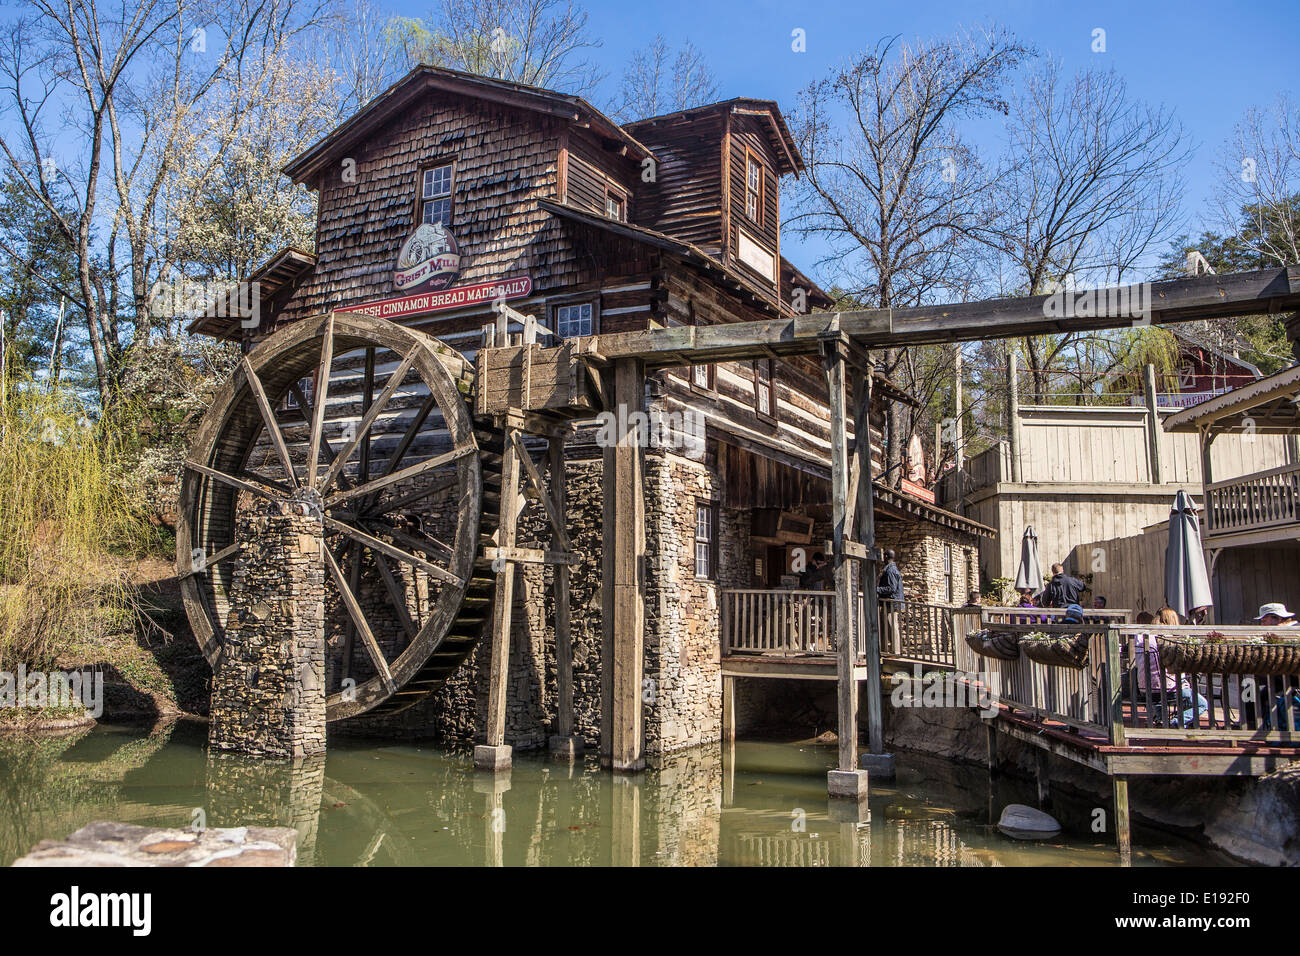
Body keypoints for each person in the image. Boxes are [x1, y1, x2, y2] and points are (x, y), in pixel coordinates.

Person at [1132, 606, 1208, 728]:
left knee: (1161, 701)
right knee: (1202, 704)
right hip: (1169, 687)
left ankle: (1162, 721)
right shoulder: (1168, 639)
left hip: (1145, 688)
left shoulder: (1142, 637)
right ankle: (1176, 722)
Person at [877, 549, 904, 654]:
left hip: (891, 603)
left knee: (892, 626)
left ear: (887, 557)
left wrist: (877, 589)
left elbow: (891, 588)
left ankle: (895, 650)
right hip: (890, 602)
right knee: (887, 626)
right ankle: (886, 649)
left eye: (884, 556)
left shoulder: (891, 570)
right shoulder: (890, 569)